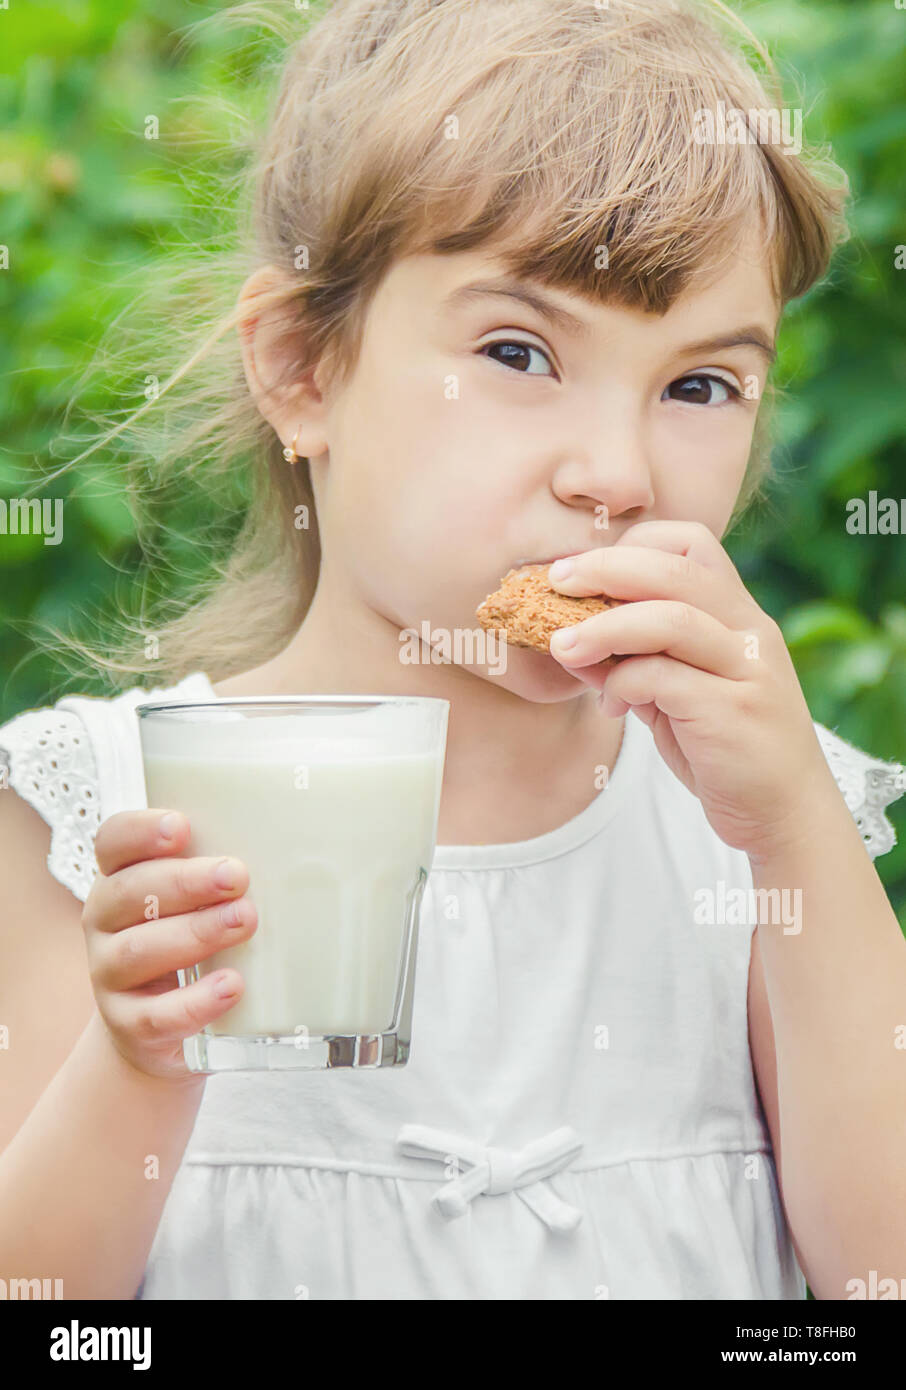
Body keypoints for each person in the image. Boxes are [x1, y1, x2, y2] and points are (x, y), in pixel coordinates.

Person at [1, 0, 904, 1301]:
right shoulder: (105, 813)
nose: (616, 474)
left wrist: (797, 833)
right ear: (302, 369)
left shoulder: (751, 829)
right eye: (517, 351)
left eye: (698, 385)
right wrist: (138, 1067)